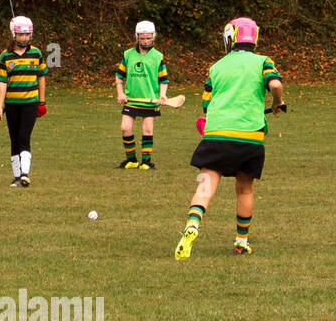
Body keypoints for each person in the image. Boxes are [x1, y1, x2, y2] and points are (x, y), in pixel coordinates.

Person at [174, 17, 284, 259]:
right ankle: (241, 242)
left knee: (205, 185)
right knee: (245, 189)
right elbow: (275, 85)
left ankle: (193, 223)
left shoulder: (216, 67)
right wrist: (278, 103)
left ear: (230, 38)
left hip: (217, 135)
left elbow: (206, 105)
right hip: (250, 138)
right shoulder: (263, 62)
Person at [0, 15, 48, 186]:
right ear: (13, 34)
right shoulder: (5, 56)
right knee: (14, 139)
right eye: (21, 34)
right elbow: (2, 83)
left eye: (27, 34)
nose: (24, 37)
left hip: (30, 103)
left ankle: (25, 174)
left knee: (24, 136)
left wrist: (42, 101)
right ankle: (17, 176)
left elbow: (41, 78)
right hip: (11, 105)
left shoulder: (36, 53)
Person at [114, 20, 169, 170]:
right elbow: (119, 76)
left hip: (150, 101)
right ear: (137, 37)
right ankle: (131, 160)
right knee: (125, 128)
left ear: (153, 37)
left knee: (147, 130)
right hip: (131, 99)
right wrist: (120, 93)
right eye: (143, 38)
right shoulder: (128, 55)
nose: (146, 41)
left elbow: (163, 80)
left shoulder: (158, 57)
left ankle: (146, 162)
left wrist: (162, 95)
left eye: (149, 38)